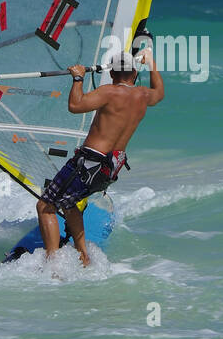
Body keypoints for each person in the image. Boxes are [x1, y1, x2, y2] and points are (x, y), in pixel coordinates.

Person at [34, 48, 164, 266]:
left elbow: (76, 106)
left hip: (89, 161)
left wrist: (78, 78)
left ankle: (53, 265)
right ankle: (84, 256)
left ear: (112, 74)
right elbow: (159, 92)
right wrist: (151, 61)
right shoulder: (144, 96)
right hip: (112, 166)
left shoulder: (109, 92)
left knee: (45, 205)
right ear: (134, 73)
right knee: (69, 202)